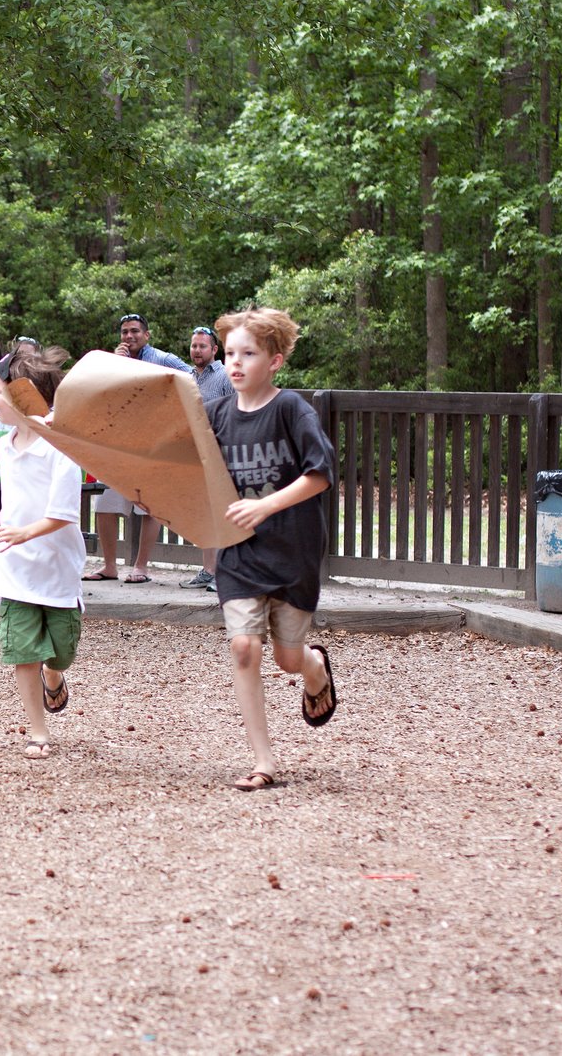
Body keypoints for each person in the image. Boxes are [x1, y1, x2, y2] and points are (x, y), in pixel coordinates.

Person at [205, 307, 338, 791]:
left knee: (287, 658)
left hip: (293, 550)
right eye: (229, 354)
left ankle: (315, 667)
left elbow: (320, 475)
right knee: (244, 648)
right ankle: (263, 761)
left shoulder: (291, 410)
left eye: (248, 354)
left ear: (275, 360)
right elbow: (183, 463)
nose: (234, 364)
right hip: (240, 553)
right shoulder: (215, 414)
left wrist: (265, 507)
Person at [0, 348, 86, 760]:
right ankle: (37, 732)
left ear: (24, 397)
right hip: (15, 570)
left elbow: (62, 515)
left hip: (58, 568)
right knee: (22, 651)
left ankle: (54, 672)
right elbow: (13, 508)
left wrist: (24, 533)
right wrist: (1, 544)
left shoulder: (59, 447)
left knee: (62, 650)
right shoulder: (4, 446)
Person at [85, 314, 192, 584]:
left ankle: (140, 567)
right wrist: (115, 363)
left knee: (149, 506)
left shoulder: (163, 359)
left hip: (153, 444)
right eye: (124, 332)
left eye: (134, 331)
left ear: (147, 335)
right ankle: (109, 566)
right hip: (119, 443)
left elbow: (192, 378)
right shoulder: (113, 361)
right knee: (106, 504)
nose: (129, 336)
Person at [181, 325, 235, 591]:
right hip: (196, 452)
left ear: (215, 350)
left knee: (224, 512)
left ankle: (225, 573)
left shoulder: (225, 375)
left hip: (222, 451)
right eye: (194, 346)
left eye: (202, 346)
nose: (197, 350)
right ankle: (208, 570)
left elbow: (238, 409)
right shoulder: (187, 376)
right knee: (205, 511)